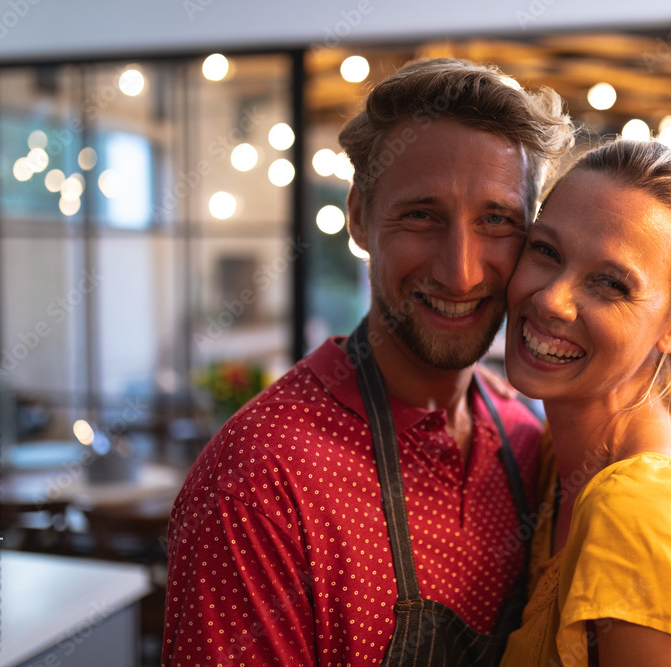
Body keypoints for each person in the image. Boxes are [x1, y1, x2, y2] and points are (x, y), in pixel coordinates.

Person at [162, 59, 574, 666]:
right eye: (421, 215)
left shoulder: (527, 439)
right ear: (358, 216)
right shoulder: (258, 483)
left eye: (496, 220)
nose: (460, 270)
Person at [499, 138, 671, 666]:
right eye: (546, 251)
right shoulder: (563, 460)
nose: (552, 299)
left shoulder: (643, 505)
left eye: (609, 283)